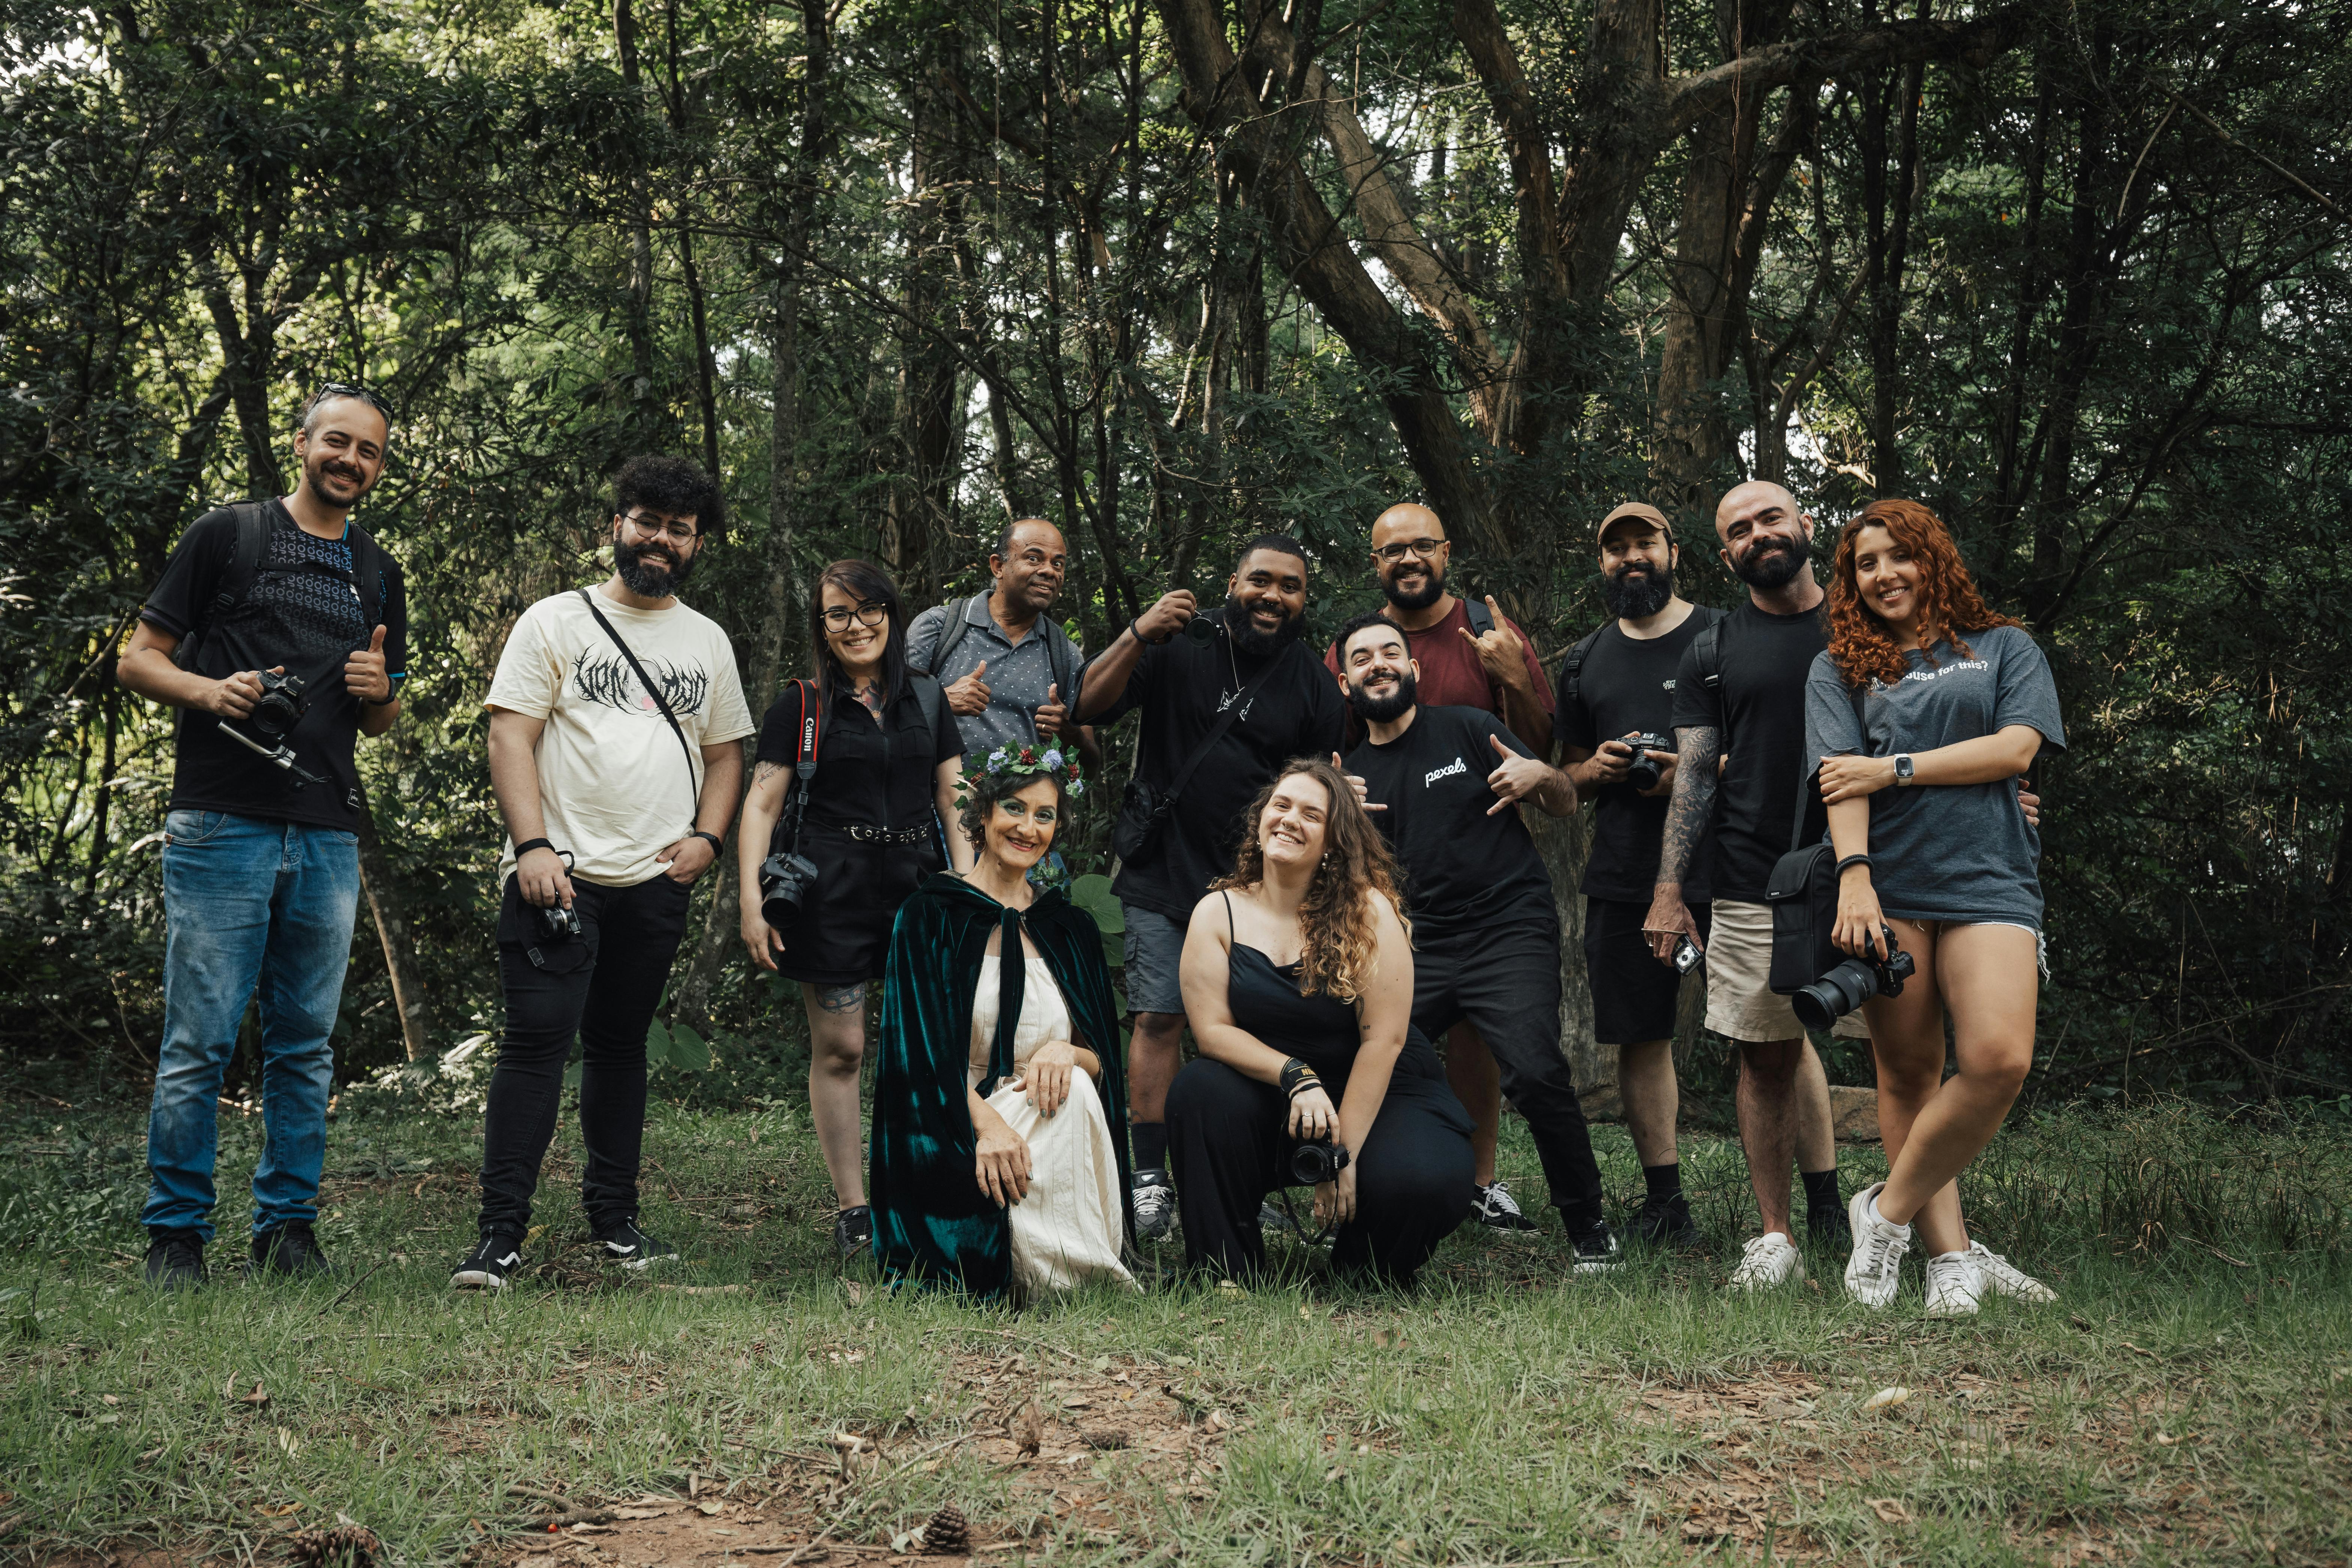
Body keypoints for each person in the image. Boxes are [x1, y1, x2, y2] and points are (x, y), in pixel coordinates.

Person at [119, 384, 408, 1288]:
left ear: (378, 466)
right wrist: (213, 691)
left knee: (305, 1044)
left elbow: (385, 720)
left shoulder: (377, 566)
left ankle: (289, 1228)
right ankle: (176, 1237)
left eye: (366, 451)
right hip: (219, 820)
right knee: (199, 1037)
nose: (348, 460)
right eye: (336, 441)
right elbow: (138, 656)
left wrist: (378, 690)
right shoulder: (228, 535)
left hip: (326, 829)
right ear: (302, 442)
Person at [452, 456, 753, 1290]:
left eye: (680, 528)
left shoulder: (707, 640)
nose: (661, 538)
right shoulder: (554, 621)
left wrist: (709, 840)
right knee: (536, 1043)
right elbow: (510, 734)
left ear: (696, 546)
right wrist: (533, 846)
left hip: (658, 880)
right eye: (647, 520)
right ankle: (498, 1235)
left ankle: (615, 1221)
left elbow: (727, 752)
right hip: (560, 877)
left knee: (620, 1046)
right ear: (616, 527)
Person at [1809, 499, 2062, 1315]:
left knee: (1996, 1061)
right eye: (1863, 564)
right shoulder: (1840, 668)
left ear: (1932, 558)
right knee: (1909, 1071)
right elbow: (1837, 778)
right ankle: (1948, 1260)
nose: (1882, 575)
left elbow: (2015, 748)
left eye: (1897, 556)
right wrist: (1855, 877)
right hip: (1892, 885)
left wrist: (1896, 770)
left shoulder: (2003, 648)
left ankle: (1882, 1213)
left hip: (1989, 879)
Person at [1074, 535, 1346, 1240]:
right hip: (1163, 871)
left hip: (1258, 890)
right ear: (1234, 581)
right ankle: (1148, 1180)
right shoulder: (1176, 644)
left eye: (1290, 587)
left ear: (1302, 599)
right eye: (1261, 581)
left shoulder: (1313, 686)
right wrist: (1138, 631)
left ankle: (1241, 1173)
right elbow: (1087, 705)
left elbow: (1320, 793)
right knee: (1159, 1019)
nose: (1273, 596)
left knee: (1252, 1029)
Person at [1337, 615, 1623, 1271]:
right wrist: (1331, 810)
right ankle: (1369, 1201)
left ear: (1413, 670)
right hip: (1414, 945)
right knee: (1358, 1055)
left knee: (1534, 1069)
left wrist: (1539, 777)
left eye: (1389, 653)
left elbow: (1563, 802)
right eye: (1360, 659)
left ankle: (1587, 1226)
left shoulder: (1467, 728)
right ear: (1347, 683)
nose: (1376, 664)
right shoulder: (1347, 779)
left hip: (1505, 927)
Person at [1641, 480, 1872, 1292]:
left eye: (1771, 517)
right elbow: (1696, 774)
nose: (1757, 534)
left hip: (1878, 874)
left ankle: (1906, 1225)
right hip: (1752, 883)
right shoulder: (1710, 647)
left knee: (1906, 1059)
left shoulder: (1864, 616)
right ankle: (1775, 1238)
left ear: (1806, 524)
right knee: (1764, 1056)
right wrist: (1671, 889)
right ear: (1724, 552)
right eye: (1737, 529)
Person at [1323, 502, 1557, 1232]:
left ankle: (1480, 1179)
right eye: (1392, 549)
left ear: (1445, 549)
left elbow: (1544, 739)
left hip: (1484, 870)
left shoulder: (1489, 629)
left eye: (1422, 543)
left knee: (1483, 1036)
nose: (1408, 557)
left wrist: (1514, 675)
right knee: (1363, 1030)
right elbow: (1334, 748)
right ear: (1377, 563)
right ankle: (1351, 1161)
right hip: (1390, 880)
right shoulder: (1357, 648)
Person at [735, 559, 968, 1261]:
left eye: (869, 609)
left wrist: (970, 884)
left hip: (918, 886)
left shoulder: (927, 698)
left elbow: (953, 793)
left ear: (891, 616)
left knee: (928, 1042)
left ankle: (923, 1186)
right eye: (838, 613)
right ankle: (854, 1208)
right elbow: (762, 802)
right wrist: (751, 899)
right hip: (829, 889)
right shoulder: (800, 705)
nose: (855, 624)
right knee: (843, 1048)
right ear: (822, 626)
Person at [1165, 760, 1475, 1285]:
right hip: (1276, 1089)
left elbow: (1385, 1039)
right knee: (1198, 1091)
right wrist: (1294, 1075)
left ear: (1333, 840)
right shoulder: (1217, 912)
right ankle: (1225, 1273)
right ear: (1260, 819)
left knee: (1429, 1177)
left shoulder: (1369, 911)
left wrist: (1338, 1157)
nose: (1289, 820)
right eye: (1281, 806)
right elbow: (1212, 1031)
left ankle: (1363, 1271)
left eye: (1312, 814)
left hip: (1381, 1084)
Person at [868, 749, 1134, 1299]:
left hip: (1049, 1110)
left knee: (1078, 1088)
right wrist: (986, 1126)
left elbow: (1101, 1059)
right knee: (1062, 1101)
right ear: (983, 813)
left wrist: (1066, 1053)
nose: (1027, 827)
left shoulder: (1070, 927)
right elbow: (915, 1059)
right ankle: (1048, 1275)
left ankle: (1060, 1272)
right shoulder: (931, 915)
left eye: (1045, 815)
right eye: (1014, 808)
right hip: (953, 1117)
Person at [1554, 503, 1721, 1248]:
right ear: (1602, 563)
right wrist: (1596, 768)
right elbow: (1565, 776)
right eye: (1614, 547)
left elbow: (1777, 749)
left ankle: (1813, 1203)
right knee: (1639, 1034)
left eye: (1642, 543)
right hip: (1625, 870)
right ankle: (1666, 1202)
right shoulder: (1586, 657)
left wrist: (1691, 771)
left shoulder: (1724, 635)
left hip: (1736, 863)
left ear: (1672, 551)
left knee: (1774, 1034)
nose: (1630, 557)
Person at [904, 516, 1101, 773]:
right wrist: (942, 701)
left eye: (1058, 563)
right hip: (939, 807)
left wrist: (1071, 734)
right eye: (1034, 558)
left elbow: (1092, 768)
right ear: (998, 566)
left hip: (1025, 811)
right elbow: (882, 712)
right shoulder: (938, 627)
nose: (1049, 571)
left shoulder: (1066, 655)